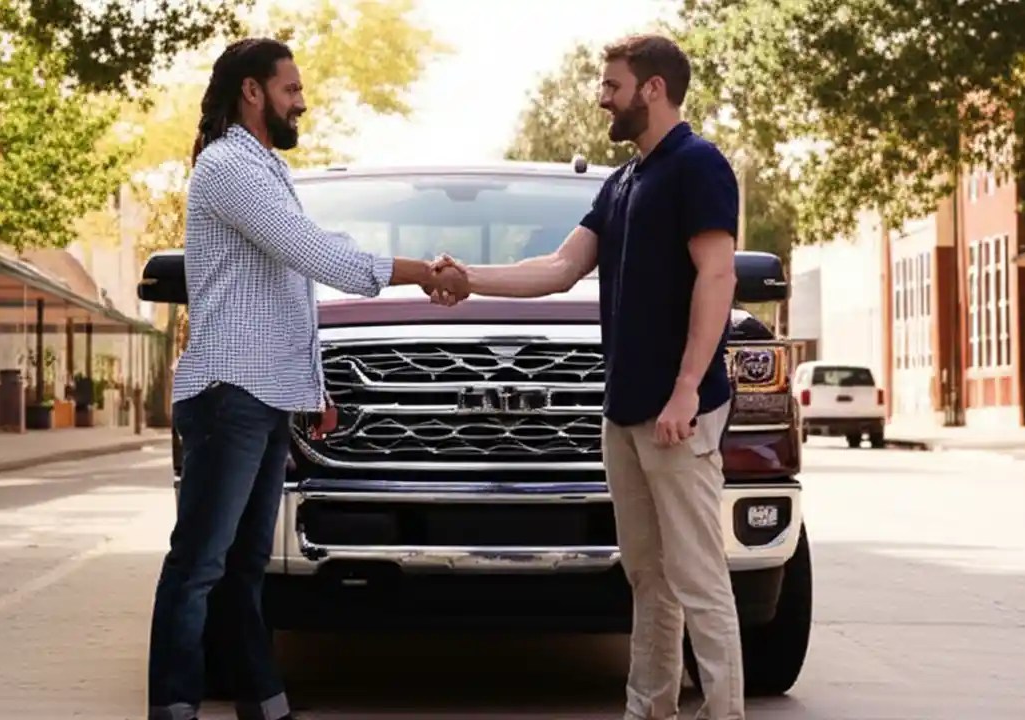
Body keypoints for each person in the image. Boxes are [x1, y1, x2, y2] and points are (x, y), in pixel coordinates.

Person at [147, 37, 468, 720]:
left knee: (244, 566)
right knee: (199, 564)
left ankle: (264, 703)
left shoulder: (262, 168)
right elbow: (312, 254)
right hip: (227, 393)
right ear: (253, 92)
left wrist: (313, 385)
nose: (302, 101)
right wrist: (418, 272)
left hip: (263, 396)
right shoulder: (229, 166)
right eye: (291, 89)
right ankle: (173, 707)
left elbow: (287, 287)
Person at [429, 34, 744, 720]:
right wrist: (464, 280)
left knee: (697, 577)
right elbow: (559, 267)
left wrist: (687, 388)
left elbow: (717, 276)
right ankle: (647, 709)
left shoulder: (698, 165)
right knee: (648, 578)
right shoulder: (624, 181)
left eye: (612, 84)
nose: (602, 96)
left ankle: (725, 712)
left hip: (677, 408)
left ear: (652, 88)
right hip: (626, 409)